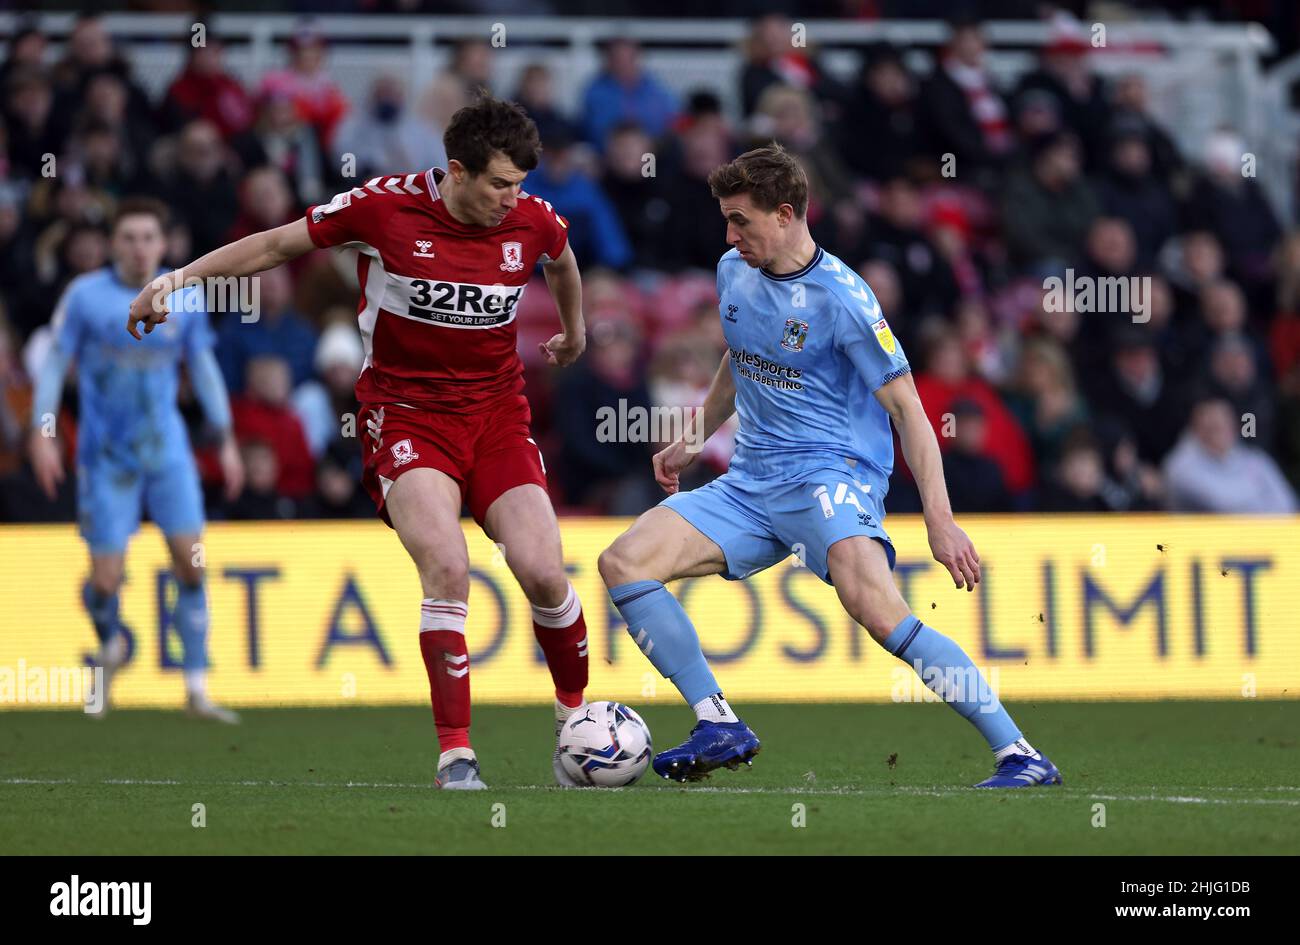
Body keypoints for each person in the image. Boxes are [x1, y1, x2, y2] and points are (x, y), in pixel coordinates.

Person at [127, 97, 591, 791]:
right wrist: (179, 279)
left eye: (521, 184)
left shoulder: (531, 218)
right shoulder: (383, 209)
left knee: (546, 574)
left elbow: (562, 260)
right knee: (448, 566)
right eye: (499, 183)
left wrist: (576, 330)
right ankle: (456, 756)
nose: (512, 198)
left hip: (497, 417)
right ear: (457, 171)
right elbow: (277, 244)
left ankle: (575, 725)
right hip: (406, 418)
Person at [597, 145, 1061, 789]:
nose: (730, 237)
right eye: (726, 222)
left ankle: (1020, 755)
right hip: (751, 482)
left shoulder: (844, 300)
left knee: (879, 610)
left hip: (830, 477)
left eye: (741, 221)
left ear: (785, 215)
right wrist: (694, 437)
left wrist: (941, 521)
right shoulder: (734, 270)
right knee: (623, 562)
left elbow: (911, 414)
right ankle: (718, 721)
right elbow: (740, 357)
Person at [28, 197, 244, 720]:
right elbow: (56, 363)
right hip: (104, 458)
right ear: (111, 245)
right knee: (103, 581)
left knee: (191, 563)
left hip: (167, 452)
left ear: (164, 244)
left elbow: (205, 368)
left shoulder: (184, 296)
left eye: (149, 237)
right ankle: (109, 648)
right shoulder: (84, 296)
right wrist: (43, 431)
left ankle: (196, 688)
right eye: (129, 238)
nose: (140, 247)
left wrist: (226, 437)